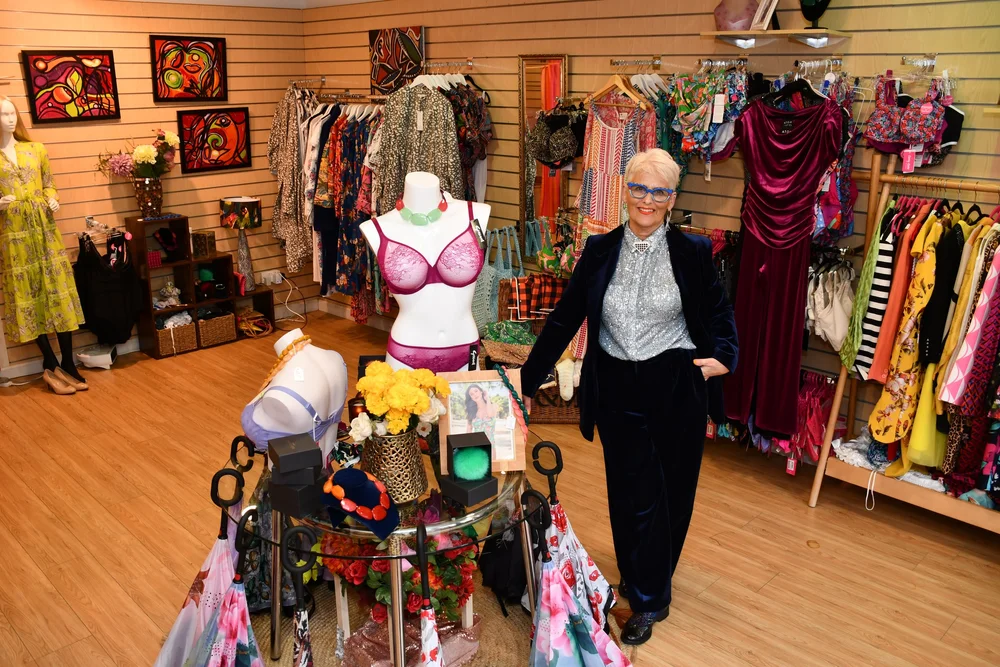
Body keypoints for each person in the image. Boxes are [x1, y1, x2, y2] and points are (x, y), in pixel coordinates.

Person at [520, 148, 738, 645]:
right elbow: (564, 317)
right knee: (629, 494)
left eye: (659, 191)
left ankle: (649, 595)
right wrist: (526, 379)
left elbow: (720, 310)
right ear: (625, 190)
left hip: (676, 383)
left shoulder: (694, 251)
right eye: (639, 187)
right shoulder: (599, 250)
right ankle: (640, 585)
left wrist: (725, 354)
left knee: (671, 494)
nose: (647, 199)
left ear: (672, 199)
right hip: (617, 386)